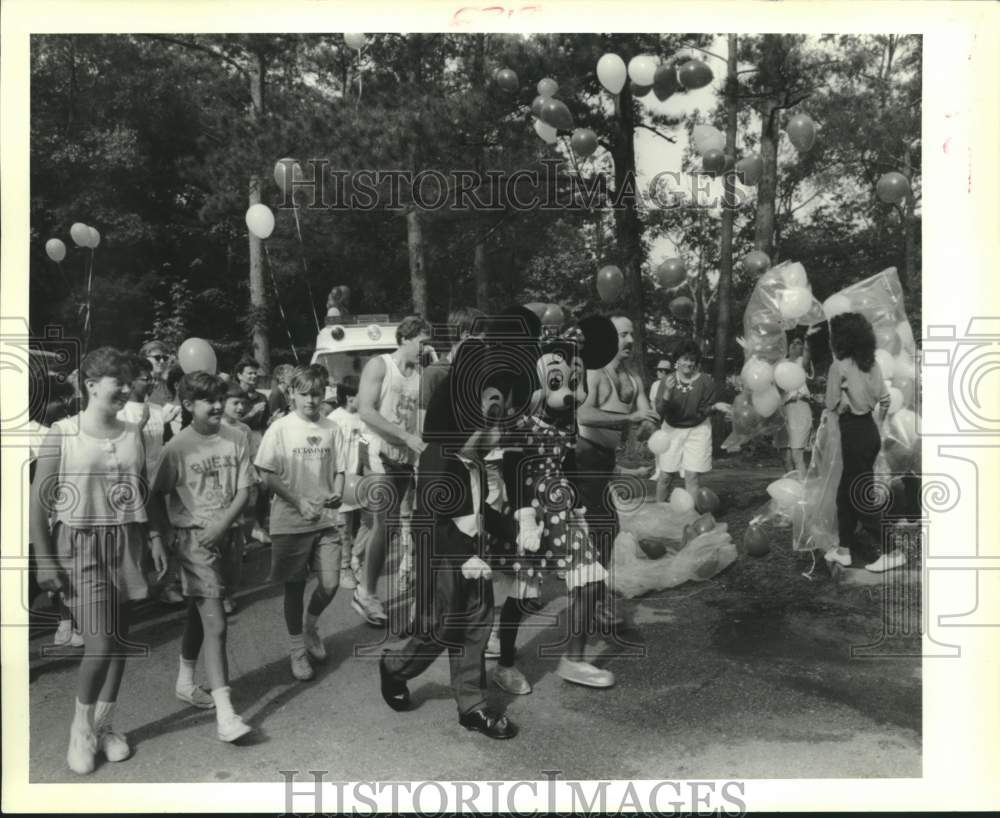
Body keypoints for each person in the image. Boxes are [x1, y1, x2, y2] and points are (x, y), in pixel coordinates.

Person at [31, 347, 167, 775]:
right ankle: (81, 729)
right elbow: (37, 506)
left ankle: (106, 726)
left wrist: (158, 536)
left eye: (130, 381)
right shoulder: (63, 433)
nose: (127, 389)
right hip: (79, 544)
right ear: (91, 385)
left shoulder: (132, 432)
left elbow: (142, 488)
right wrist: (45, 562)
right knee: (101, 642)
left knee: (121, 640)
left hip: (127, 540)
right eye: (118, 381)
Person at [379, 339, 519, 739]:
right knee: (439, 629)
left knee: (476, 623)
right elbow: (432, 521)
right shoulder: (440, 461)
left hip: (470, 555)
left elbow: (479, 511)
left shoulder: (471, 462)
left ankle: (471, 704)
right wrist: (461, 557)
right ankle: (394, 668)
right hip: (442, 558)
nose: (496, 434)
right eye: (489, 425)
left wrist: (512, 530)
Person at [149, 372, 255, 742]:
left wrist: (223, 526)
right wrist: (162, 537)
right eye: (205, 400)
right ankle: (226, 716)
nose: (214, 405)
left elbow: (244, 489)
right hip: (194, 539)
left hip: (227, 535)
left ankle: (184, 680)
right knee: (218, 623)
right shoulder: (177, 447)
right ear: (188, 405)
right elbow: (155, 496)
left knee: (199, 611)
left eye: (218, 398)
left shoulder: (237, 438)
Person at [255, 365, 347, 681]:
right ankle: (297, 650)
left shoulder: (333, 428)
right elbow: (266, 474)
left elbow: (340, 469)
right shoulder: (279, 429)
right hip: (290, 521)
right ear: (292, 394)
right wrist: (297, 501)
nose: (310, 400)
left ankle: (310, 627)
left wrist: (336, 490)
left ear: (325, 395)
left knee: (331, 582)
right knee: (293, 588)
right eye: (304, 394)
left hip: (325, 519)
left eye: (317, 394)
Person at [574, 315, 659, 654]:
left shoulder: (633, 378)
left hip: (604, 460)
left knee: (608, 529)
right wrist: (630, 419)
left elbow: (645, 416)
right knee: (599, 530)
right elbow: (583, 414)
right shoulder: (594, 372)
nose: (629, 341)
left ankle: (597, 598)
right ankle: (593, 602)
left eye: (631, 335)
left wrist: (648, 426)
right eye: (622, 335)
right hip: (583, 457)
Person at [353, 316, 430, 625]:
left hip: (404, 457)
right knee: (386, 523)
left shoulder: (421, 374)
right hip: (376, 450)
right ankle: (366, 593)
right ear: (405, 339)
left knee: (391, 527)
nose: (425, 349)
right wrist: (405, 436)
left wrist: (418, 449)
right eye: (422, 342)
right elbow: (366, 411)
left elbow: (417, 420)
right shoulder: (380, 365)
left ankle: (364, 584)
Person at [823, 312, 896, 572]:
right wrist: (876, 418)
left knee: (857, 495)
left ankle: (890, 550)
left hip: (852, 432)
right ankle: (844, 549)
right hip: (869, 430)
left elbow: (830, 403)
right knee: (845, 495)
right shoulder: (871, 364)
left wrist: (844, 399)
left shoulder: (838, 366)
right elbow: (885, 400)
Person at [653, 340, 726, 502]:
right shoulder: (667, 381)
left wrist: (714, 407)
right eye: (685, 359)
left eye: (692, 360)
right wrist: (667, 394)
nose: (688, 363)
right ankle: (658, 513)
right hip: (671, 429)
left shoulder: (706, 381)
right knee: (665, 476)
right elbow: (660, 411)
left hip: (697, 429)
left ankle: (690, 517)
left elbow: (703, 411)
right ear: (677, 360)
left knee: (692, 476)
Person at [220, 381, 257, 612]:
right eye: (235, 403)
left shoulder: (244, 430)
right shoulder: (215, 427)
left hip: (239, 491)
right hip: (218, 491)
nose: (240, 407)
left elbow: (249, 460)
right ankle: (218, 592)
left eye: (243, 403)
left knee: (234, 546)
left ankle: (229, 591)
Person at [328, 375, 366, 591]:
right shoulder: (335, 419)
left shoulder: (363, 418)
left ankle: (356, 559)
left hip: (360, 480)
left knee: (365, 523)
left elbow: (365, 444)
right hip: (341, 481)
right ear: (351, 398)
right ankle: (344, 569)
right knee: (343, 527)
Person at [235, 357, 271, 543]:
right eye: (249, 373)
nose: (253, 376)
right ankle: (240, 529)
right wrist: (252, 413)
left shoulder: (262, 397)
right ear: (239, 375)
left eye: (255, 373)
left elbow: (264, 424)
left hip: (258, 439)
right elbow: (233, 423)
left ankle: (258, 525)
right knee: (243, 485)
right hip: (239, 440)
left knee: (264, 485)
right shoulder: (233, 397)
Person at [773, 335, 815, 477]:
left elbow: (807, 358)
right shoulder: (781, 363)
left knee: (797, 455)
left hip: (799, 408)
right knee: (785, 457)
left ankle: (801, 493)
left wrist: (808, 338)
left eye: (799, 343)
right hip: (783, 411)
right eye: (793, 342)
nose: (794, 344)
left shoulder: (801, 362)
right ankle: (791, 489)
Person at [648, 358, 672, 482]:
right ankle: (658, 470)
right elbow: (652, 402)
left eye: (662, 371)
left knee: (671, 445)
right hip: (658, 418)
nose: (659, 373)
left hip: (670, 420)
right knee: (657, 446)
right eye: (658, 370)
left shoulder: (673, 384)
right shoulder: (655, 385)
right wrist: (655, 416)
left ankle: (671, 470)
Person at [140, 340, 175, 408]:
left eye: (165, 358)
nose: (162, 361)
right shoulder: (138, 384)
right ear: (145, 359)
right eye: (157, 358)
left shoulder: (169, 385)